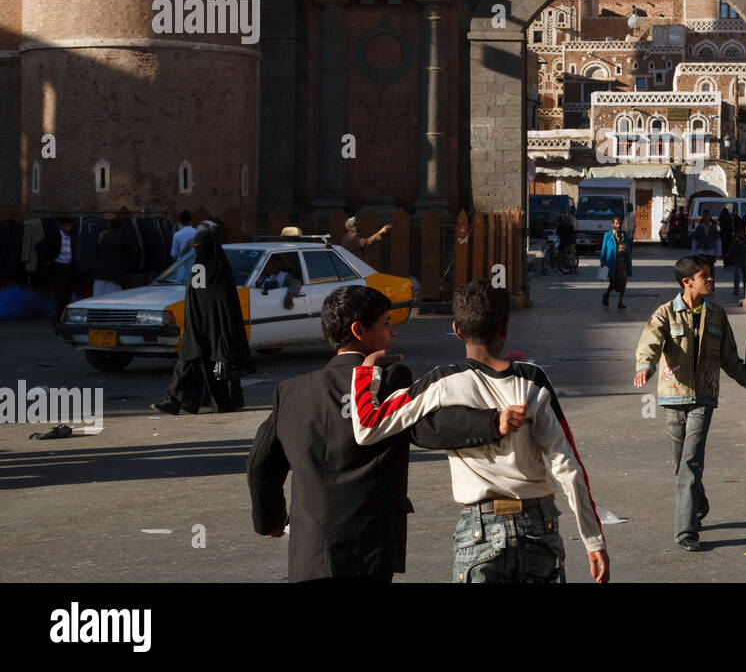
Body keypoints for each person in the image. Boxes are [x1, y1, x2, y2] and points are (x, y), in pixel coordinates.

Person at [350, 280, 610, 583]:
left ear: (457, 329)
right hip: (539, 527)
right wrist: (593, 540)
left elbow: (367, 427)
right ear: (505, 327)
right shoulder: (532, 380)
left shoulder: (440, 382)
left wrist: (368, 370)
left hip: (480, 528)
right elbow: (568, 466)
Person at [247, 284, 511, 582]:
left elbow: (261, 465)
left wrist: (270, 520)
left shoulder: (291, 392)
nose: (393, 333)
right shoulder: (386, 381)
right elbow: (426, 427)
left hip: (309, 554)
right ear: (359, 330)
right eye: (386, 324)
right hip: (367, 549)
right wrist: (492, 423)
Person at [634, 255, 746, 551]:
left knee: (690, 459)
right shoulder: (665, 313)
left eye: (710, 275)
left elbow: (730, 358)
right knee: (681, 463)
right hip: (673, 396)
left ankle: (686, 531)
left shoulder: (718, 315)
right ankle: (698, 503)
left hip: (704, 397)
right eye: (705, 276)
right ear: (687, 282)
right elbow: (651, 341)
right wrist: (645, 366)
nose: (711, 280)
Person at [152, 226, 252, 415]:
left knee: (218, 367)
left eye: (202, 247)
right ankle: (174, 402)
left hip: (217, 328)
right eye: (196, 247)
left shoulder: (220, 271)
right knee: (186, 362)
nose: (199, 251)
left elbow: (224, 303)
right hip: (197, 326)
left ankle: (225, 402)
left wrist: (221, 330)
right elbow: (194, 298)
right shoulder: (198, 269)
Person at [93, 216, 137, 296]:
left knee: (97, 297)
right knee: (112, 297)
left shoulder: (102, 236)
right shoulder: (122, 237)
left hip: (100, 272)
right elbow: (130, 252)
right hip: (115, 274)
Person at [600, 215, 632, 309]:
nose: (618, 225)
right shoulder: (608, 235)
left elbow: (628, 248)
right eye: (617, 223)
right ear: (613, 224)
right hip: (612, 264)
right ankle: (607, 294)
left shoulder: (624, 236)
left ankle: (620, 302)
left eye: (620, 223)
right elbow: (604, 249)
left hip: (623, 264)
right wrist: (602, 261)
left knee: (624, 282)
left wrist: (625, 249)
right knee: (613, 283)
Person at [723, 229, 746, 299]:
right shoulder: (734, 242)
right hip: (737, 261)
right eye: (739, 233)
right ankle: (736, 290)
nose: (740, 234)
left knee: (745, 276)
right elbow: (730, 251)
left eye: (741, 233)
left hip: (744, 260)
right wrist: (726, 256)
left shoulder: (745, 241)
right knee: (736, 275)